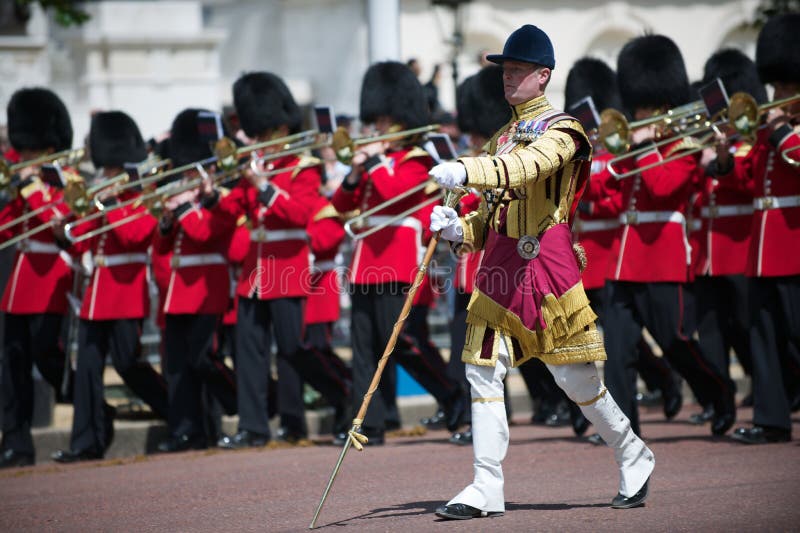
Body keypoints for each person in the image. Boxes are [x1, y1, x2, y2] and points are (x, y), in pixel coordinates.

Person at [428, 24, 654, 518]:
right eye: (504, 70)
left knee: (575, 383)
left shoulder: (565, 131)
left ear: (543, 76)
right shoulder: (501, 138)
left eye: (516, 70)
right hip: (501, 268)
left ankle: (633, 452)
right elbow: (488, 221)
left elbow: (527, 168)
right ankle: (487, 484)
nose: (506, 78)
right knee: (482, 369)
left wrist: (466, 170)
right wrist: (454, 230)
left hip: (546, 270)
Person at [602, 34, 736, 438]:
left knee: (675, 341)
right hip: (625, 261)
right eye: (638, 108)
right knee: (618, 352)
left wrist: (644, 149)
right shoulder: (630, 148)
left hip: (662, 258)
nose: (641, 116)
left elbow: (662, 188)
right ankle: (627, 434)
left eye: (649, 108)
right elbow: (611, 190)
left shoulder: (686, 146)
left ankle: (719, 392)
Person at [216, 72, 330, 447]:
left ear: (283, 126)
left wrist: (263, 187)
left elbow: (300, 215)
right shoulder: (253, 165)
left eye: (269, 132)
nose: (264, 140)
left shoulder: (305, 165)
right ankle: (253, 426)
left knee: (291, 350)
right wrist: (217, 191)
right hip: (254, 271)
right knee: (249, 353)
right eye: (259, 133)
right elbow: (229, 213)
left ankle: (293, 421)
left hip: (288, 267)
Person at [53, 111, 169, 462]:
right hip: (96, 293)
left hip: (125, 291)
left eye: (109, 169)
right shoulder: (103, 196)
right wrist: (64, 235)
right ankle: (86, 442)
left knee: (127, 363)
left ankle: (177, 413)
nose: (104, 175)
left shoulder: (141, 196)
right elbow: (87, 244)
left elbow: (134, 236)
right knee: (87, 368)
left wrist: (109, 203)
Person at [331, 61, 435, 445]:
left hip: (397, 259)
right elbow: (342, 203)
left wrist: (374, 162)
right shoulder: (376, 163)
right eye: (377, 122)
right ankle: (368, 425)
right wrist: (356, 173)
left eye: (386, 122)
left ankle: (451, 395)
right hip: (364, 264)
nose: (378, 130)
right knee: (364, 349)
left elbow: (394, 196)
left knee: (401, 345)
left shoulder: (417, 162)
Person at [730, 13, 800, 444]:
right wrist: (725, 158)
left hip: (794, 240)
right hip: (764, 245)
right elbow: (748, 184)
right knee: (765, 334)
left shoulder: (782, 130)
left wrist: (778, 135)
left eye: (784, 87)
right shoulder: (769, 127)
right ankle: (772, 419)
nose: (774, 96)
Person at [153, 108, 238, 452]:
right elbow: (160, 244)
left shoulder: (223, 200)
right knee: (176, 365)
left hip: (207, 287)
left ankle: (235, 408)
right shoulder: (182, 197)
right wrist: (166, 222)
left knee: (204, 360)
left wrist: (187, 209)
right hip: (178, 290)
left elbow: (206, 233)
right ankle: (186, 430)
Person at [0, 88, 76, 468]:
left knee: (48, 357)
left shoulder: (66, 178)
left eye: (30, 149)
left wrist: (32, 190)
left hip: (50, 279)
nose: (23, 157)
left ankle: (91, 410)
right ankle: (16, 441)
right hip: (19, 283)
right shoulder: (22, 182)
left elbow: (58, 223)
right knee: (11, 365)